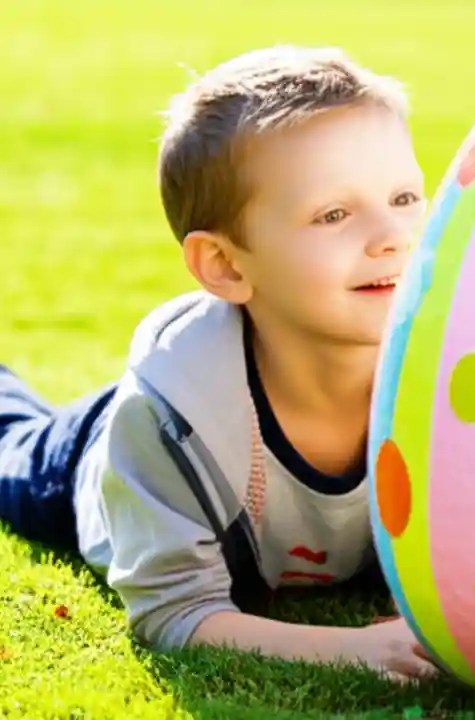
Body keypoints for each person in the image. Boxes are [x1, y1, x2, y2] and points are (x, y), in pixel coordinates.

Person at [0, 45, 435, 681]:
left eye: (403, 197)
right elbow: (175, 615)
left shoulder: (454, 371)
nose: (391, 235)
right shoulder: (168, 417)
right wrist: (357, 650)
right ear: (227, 265)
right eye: (333, 214)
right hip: (94, 454)